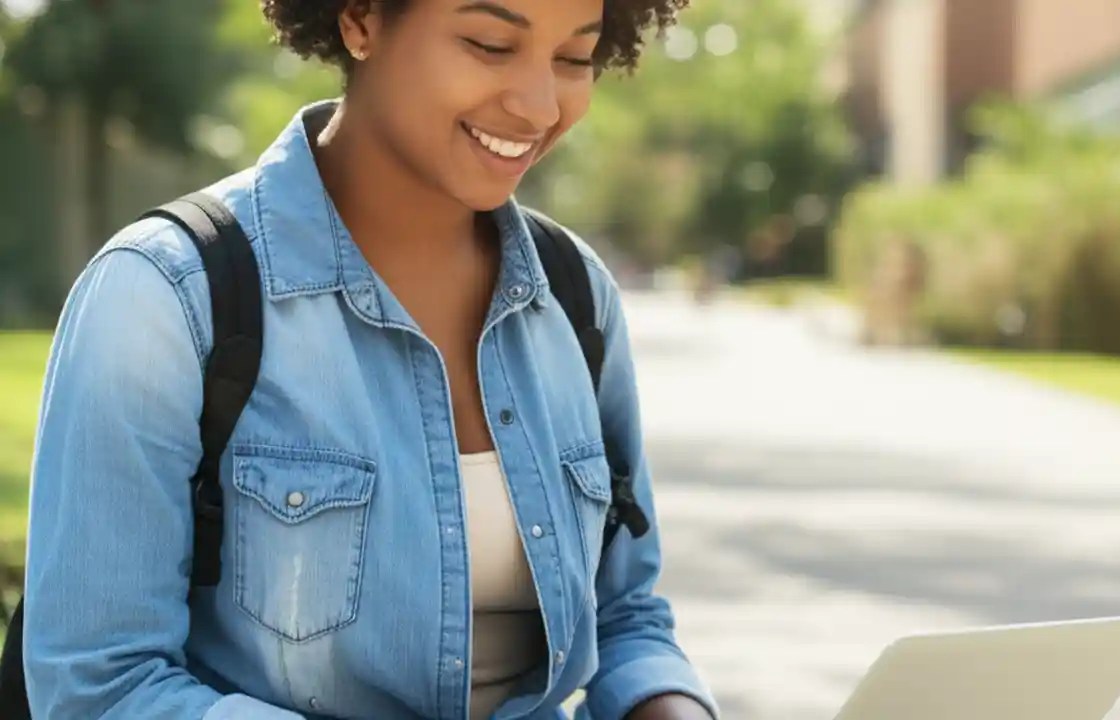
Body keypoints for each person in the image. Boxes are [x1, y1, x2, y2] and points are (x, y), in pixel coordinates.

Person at [21, 1, 717, 718]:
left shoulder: (574, 294)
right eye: (490, 44)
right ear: (360, 19)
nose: (541, 106)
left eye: (573, 58)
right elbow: (101, 683)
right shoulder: (165, 295)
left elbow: (625, 616)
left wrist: (670, 705)